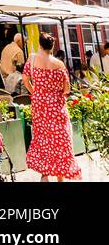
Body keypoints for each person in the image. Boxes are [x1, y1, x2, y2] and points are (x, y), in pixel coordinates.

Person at [22, 32, 81, 181]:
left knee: (43, 139)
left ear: (40, 44)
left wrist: (35, 92)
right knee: (60, 140)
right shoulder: (59, 64)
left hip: (40, 105)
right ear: (53, 46)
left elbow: (25, 78)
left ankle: (45, 175)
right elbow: (67, 89)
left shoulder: (32, 58)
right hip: (57, 107)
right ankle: (60, 177)